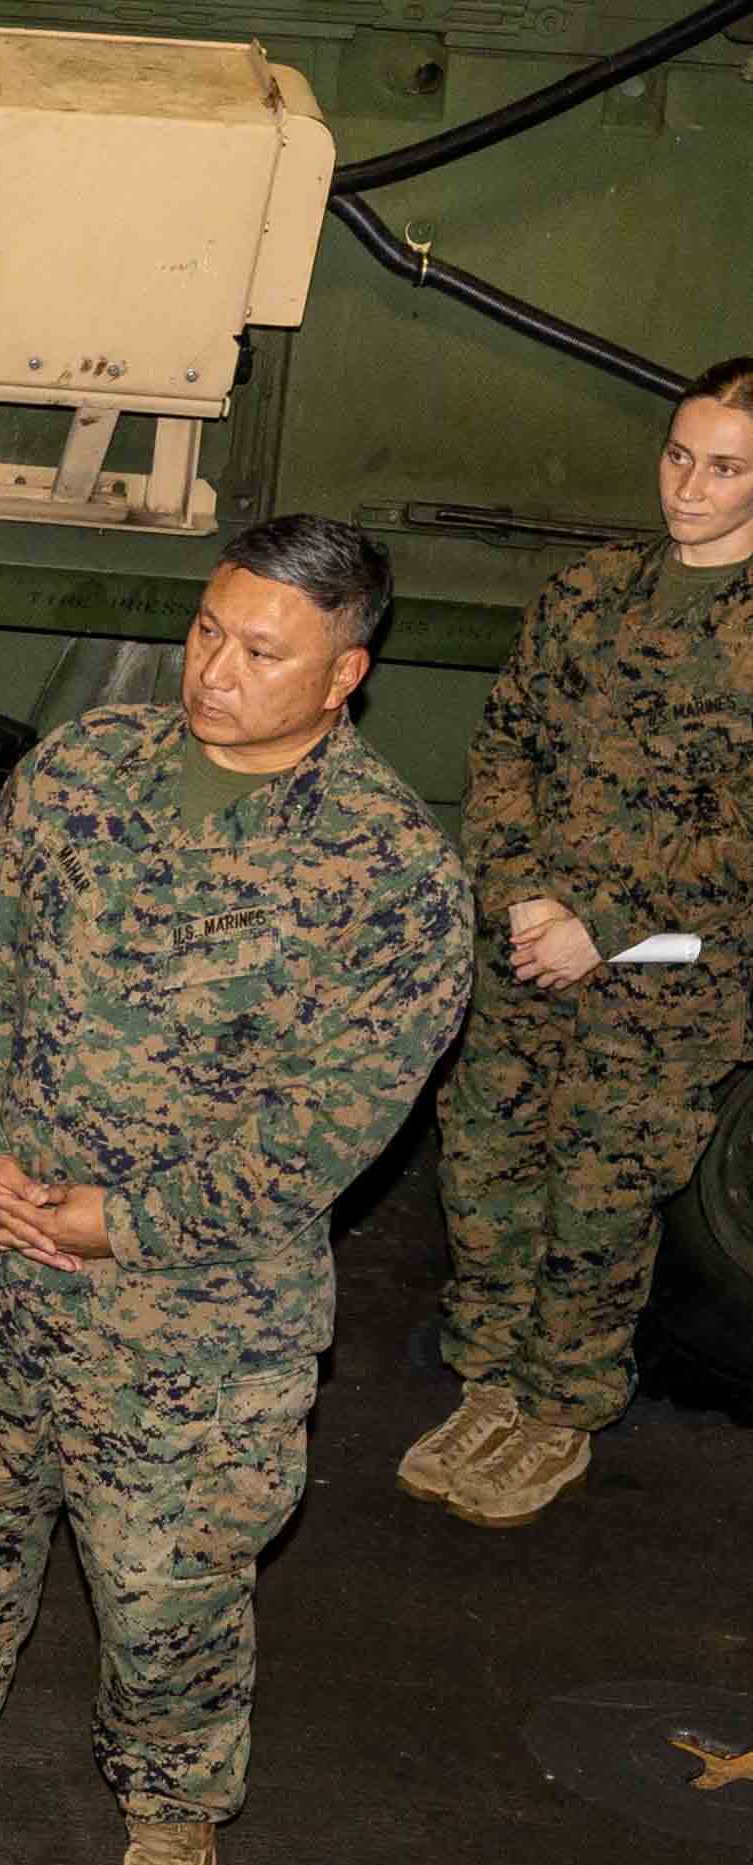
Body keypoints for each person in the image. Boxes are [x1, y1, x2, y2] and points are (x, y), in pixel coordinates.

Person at [0, 514, 472, 1865]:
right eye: (207, 631)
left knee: (166, 1593)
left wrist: (120, 1221)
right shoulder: (85, 767)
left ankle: (169, 1825)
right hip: (6, 1259)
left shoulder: (389, 875)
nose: (212, 669)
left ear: (344, 674)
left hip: (199, 1317)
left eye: (259, 652)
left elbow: (329, 1128)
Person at [402, 358, 753, 1525]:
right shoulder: (585, 595)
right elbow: (503, 751)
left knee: (599, 1199)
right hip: (529, 950)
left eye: (722, 468)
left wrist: (593, 924)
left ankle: (559, 1412)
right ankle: (489, 1388)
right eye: (676, 455)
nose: (686, 488)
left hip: (667, 978)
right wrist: (519, 898)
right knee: (488, 1171)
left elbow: (738, 840)